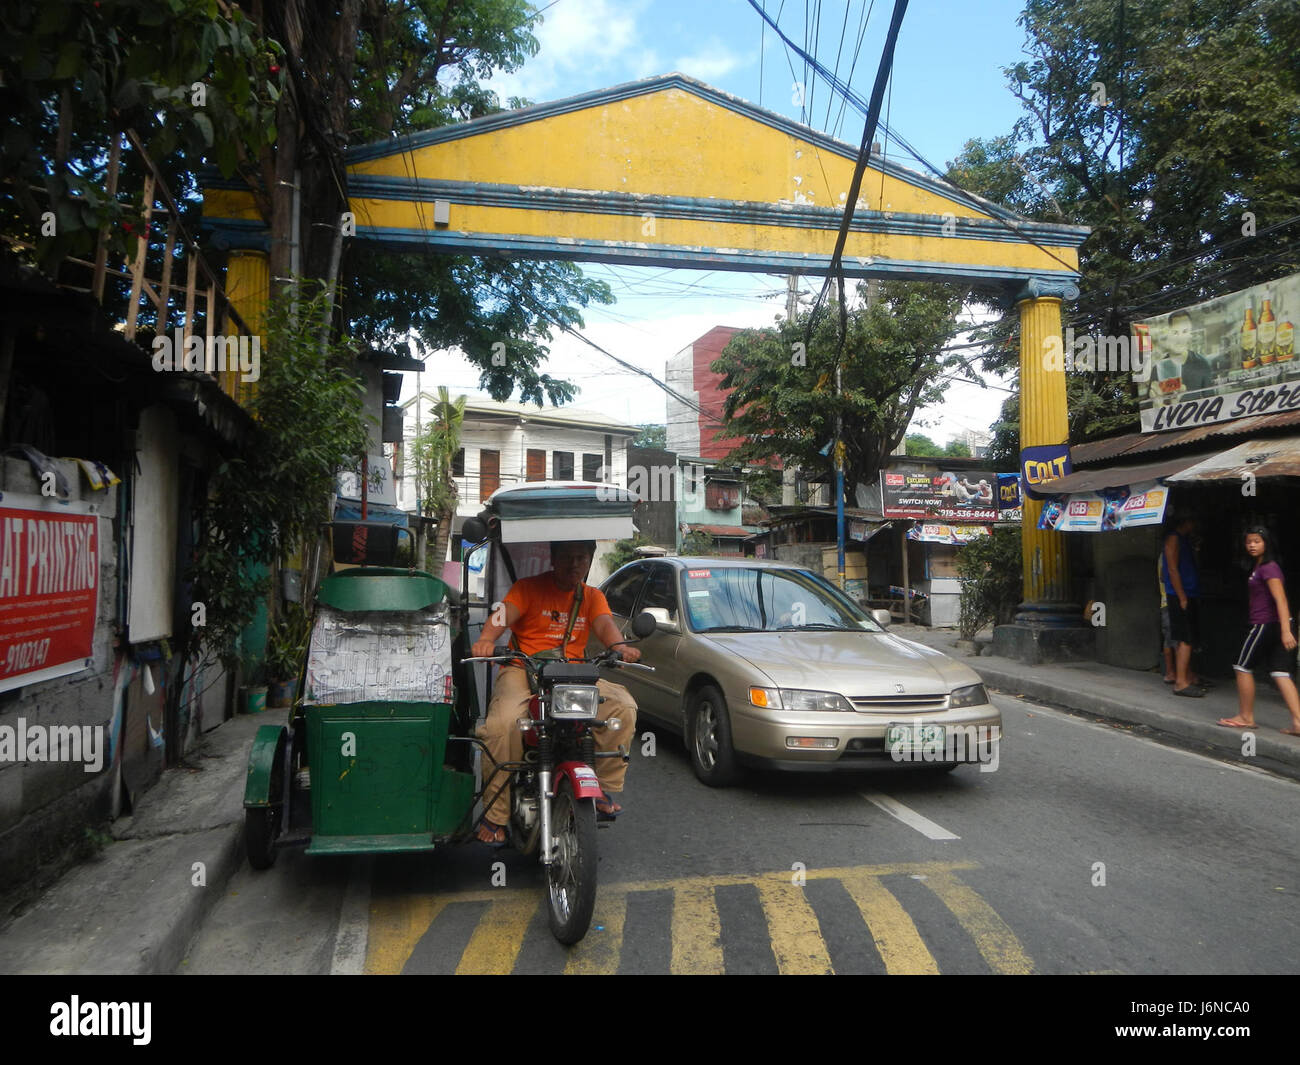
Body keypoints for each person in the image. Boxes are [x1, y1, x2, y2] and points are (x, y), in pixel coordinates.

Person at [469, 540, 640, 844]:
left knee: (623, 706)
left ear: (589, 563)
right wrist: (486, 638)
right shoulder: (528, 588)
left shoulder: (592, 596)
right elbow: (502, 614)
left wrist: (620, 647)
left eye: (581, 559)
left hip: (573, 673)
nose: (575, 564)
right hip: (524, 669)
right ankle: (495, 814)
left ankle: (601, 786)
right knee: (501, 725)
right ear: (553, 558)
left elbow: (603, 625)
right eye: (568, 558)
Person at [1217, 527, 1300, 734]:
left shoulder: (1269, 568)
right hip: (1277, 624)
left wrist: (1286, 630)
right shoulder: (1260, 566)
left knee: (1242, 666)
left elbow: (1280, 599)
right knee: (1280, 672)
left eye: (1257, 541)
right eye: (1249, 542)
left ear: (1267, 543)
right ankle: (1298, 722)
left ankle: (1246, 716)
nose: (1252, 545)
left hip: (1266, 624)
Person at [1162, 514, 1205, 697]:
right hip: (1180, 594)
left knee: (1187, 638)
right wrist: (1182, 597)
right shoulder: (1173, 539)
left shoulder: (1184, 540)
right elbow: (1172, 569)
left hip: (1188, 592)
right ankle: (1180, 681)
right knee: (1185, 638)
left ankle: (1185, 676)